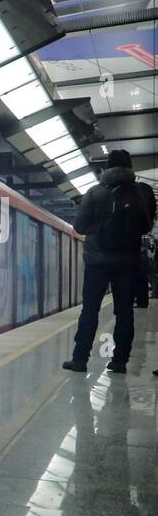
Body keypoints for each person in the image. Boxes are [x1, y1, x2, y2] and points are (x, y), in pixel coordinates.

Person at [64, 149, 155, 373]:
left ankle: (80, 359)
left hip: (97, 262)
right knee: (124, 311)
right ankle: (120, 361)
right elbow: (145, 226)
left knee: (90, 309)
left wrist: (98, 229)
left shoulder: (95, 192)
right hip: (127, 263)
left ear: (107, 167)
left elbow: (79, 227)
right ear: (130, 168)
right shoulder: (138, 194)